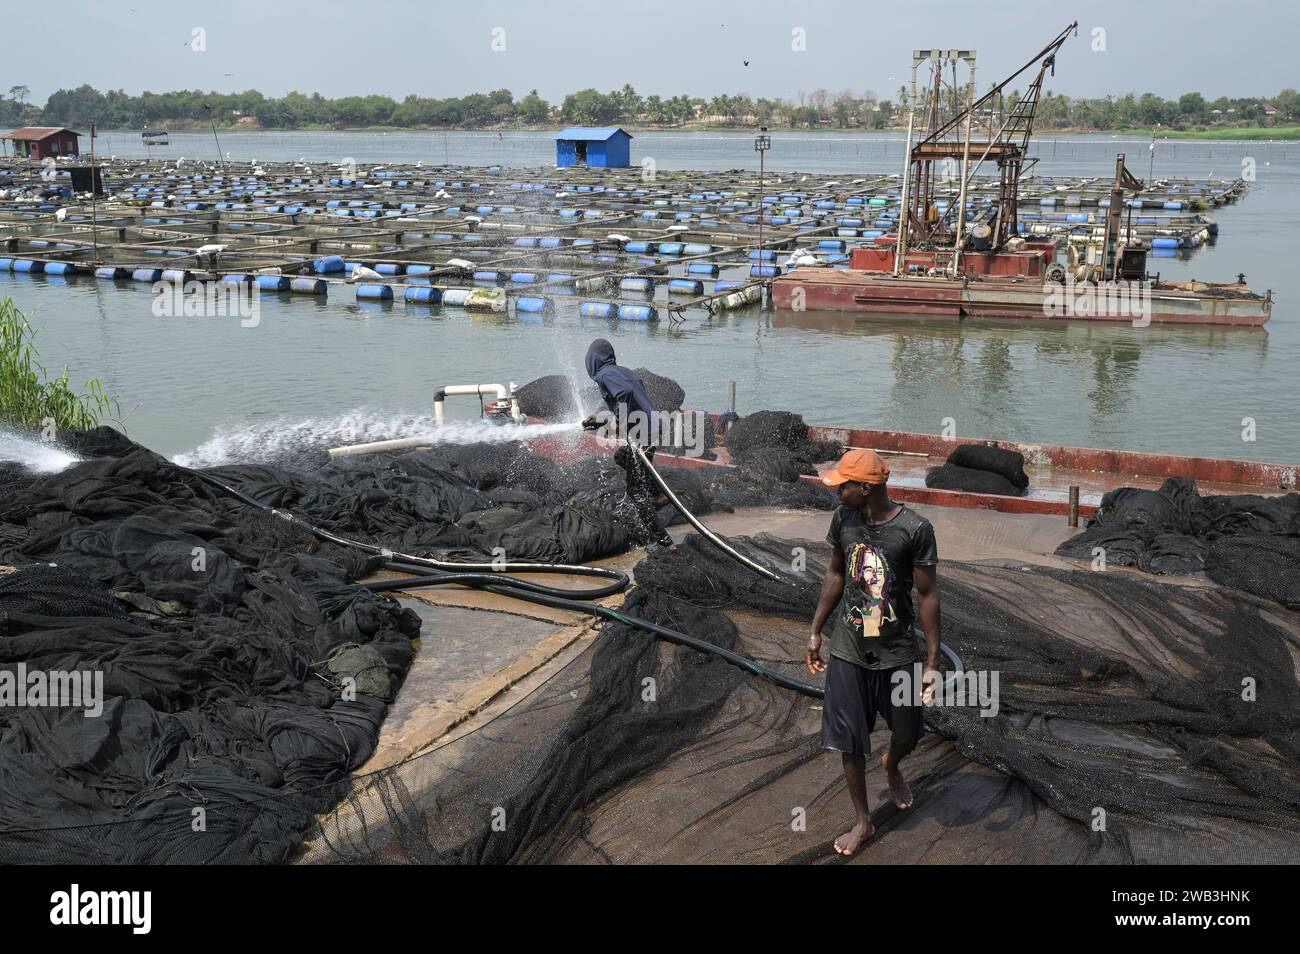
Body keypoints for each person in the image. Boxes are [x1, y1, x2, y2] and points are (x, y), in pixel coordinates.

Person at [806, 449, 941, 857]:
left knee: (908, 733)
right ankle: (863, 821)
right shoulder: (844, 519)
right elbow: (834, 572)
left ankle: (892, 765)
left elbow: (928, 594)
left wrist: (932, 663)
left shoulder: (915, 529)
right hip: (849, 649)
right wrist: (815, 632)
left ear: (865, 488)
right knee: (849, 740)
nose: (837, 492)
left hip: (898, 651)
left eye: (843, 486)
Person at [582, 338, 675, 550]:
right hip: (653, 426)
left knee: (636, 494)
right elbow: (631, 397)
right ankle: (658, 494)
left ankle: (666, 543)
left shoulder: (606, 375)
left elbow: (624, 394)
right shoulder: (623, 371)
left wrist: (618, 419)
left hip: (644, 433)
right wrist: (599, 419)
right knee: (621, 457)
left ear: (592, 360)